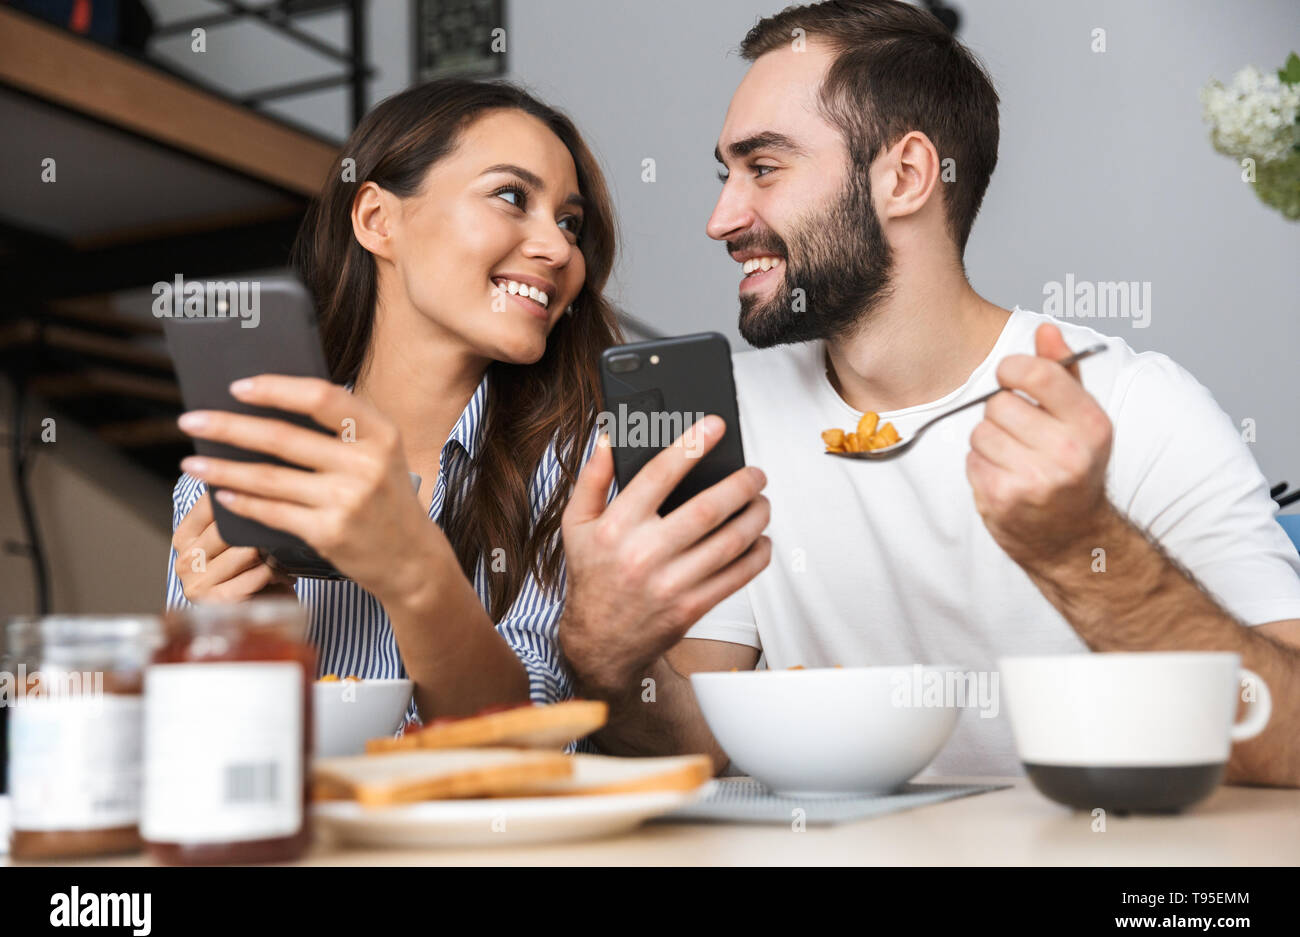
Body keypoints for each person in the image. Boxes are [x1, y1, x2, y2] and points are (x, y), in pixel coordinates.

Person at [559, 0, 1300, 786]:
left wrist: (1086, 547)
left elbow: (1288, 736)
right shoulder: (727, 421)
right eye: (727, 174)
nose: (720, 219)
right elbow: (692, 745)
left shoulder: (1135, 406)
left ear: (905, 177)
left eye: (764, 167)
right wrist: (610, 656)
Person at [165, 77, 760, 726]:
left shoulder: (590, 467)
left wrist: (415, 575)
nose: (559, 248)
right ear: (376, 220)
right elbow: (196, 755)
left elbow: (534, 741)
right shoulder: (243, 468)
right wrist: (240, 643)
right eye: (511, 196)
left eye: (570, 223)